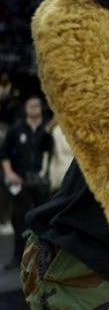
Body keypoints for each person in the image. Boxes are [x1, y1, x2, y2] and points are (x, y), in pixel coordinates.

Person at [0, 96, 51, 268]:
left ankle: (46, 257)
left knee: (45, 219)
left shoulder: (48, 127)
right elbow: (4, 153)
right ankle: (19, 257)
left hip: (43, 180)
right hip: (21, 180)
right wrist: (9, 172)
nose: (35, 108)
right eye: (31, 105)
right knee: (20, 219)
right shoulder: (16, 129)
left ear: (41, 108)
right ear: (26, 107)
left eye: (37, 105)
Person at [44, 116, 75, 194]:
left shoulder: (79, 131)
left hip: (73, 179)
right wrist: (49, 127)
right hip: (58, 180)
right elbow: (42, 144)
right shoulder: (54, 131)